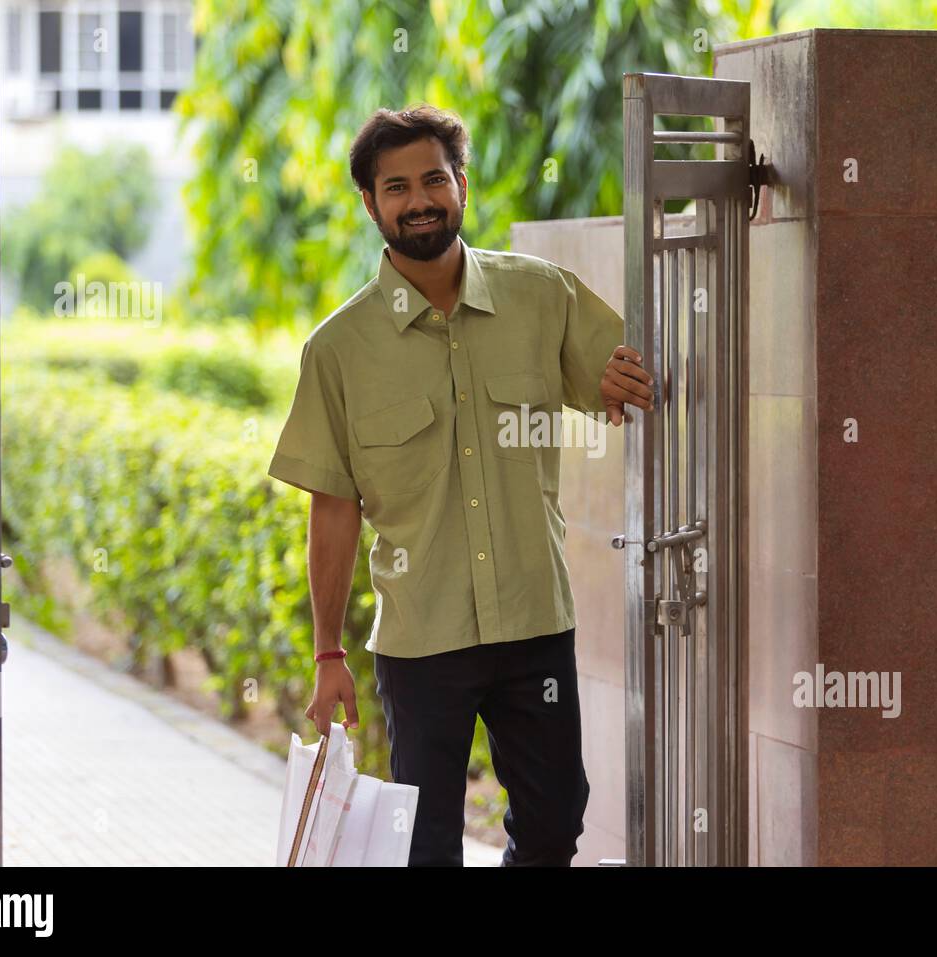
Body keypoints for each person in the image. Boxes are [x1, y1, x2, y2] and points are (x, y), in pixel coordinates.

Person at [267, 103, 654, 866]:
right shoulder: (338, 350)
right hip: (422, 640)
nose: (419, 200)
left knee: (554, 825)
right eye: (397, 186)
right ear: (371, 203)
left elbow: (630, 378)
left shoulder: (543, 296)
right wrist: (326, 653)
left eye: (434, 179)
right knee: (426, 845)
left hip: (535, 622)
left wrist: (625, 376)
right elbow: (334, 507)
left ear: (462, 186)